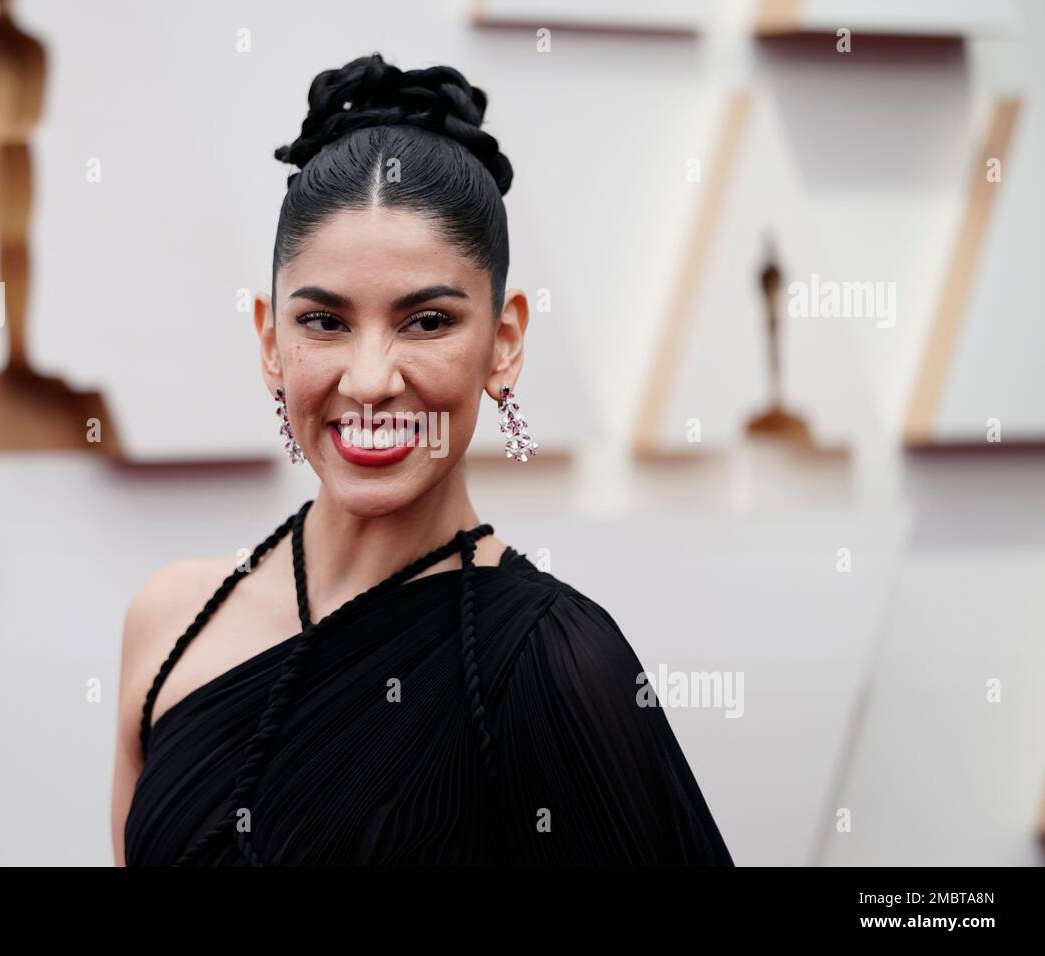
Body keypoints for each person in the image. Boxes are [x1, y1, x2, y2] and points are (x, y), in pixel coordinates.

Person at [110, 52, 733, 866]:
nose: (370, 381)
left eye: (428, 321)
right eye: (324, 323)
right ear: (270, 341)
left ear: (503, 342)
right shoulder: (167, 621)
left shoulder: (554, 663)